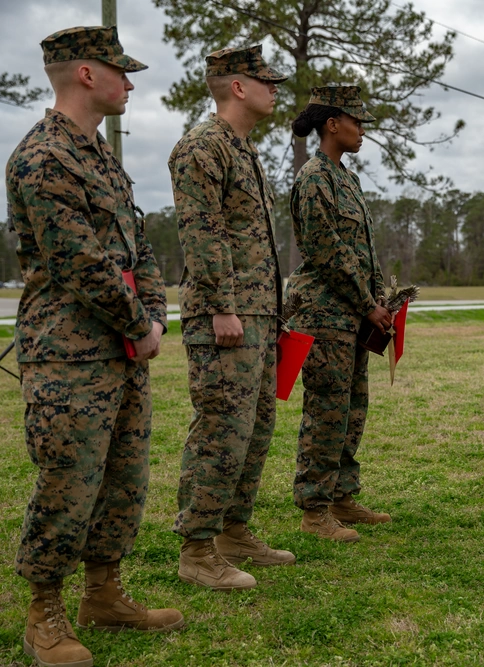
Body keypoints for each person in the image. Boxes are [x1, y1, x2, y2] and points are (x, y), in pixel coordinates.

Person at [7, 26, 183, 667]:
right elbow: (78, 261)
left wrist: (154, 317)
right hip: (68, 352)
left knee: (122, 478)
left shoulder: (102, 154)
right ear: (86, 74)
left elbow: (139, 246)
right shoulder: (44, 156)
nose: (129, 84)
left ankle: (103, 595)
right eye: (120, 71)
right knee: (69, 481)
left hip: (123, 349)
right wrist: (140, 325)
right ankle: (44, 614)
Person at [170, 45, 294, 591]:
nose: (275, 90)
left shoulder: (244, 149)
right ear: (238, 86)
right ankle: (197, 549)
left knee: (255, 429)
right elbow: (203, 231)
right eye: (267, 81)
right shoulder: (203, 146)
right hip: (226, 315)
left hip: (258, 314)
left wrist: (272, 311)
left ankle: (234, 532)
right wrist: (223, 306)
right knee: (222, 430)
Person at [287, 85, 393, 543]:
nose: (363, 130)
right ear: (333, 124)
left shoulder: (345, 178)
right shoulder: (315, 178)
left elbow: (363, 250)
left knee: (352, 408)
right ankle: (315, 510)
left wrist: (380, 300)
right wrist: (368, 304)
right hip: (325, 315)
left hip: (353, 315)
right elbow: (326, 251)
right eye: (357, 121)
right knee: (327, 411)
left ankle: (342, 496)